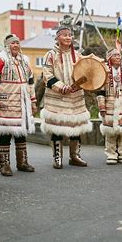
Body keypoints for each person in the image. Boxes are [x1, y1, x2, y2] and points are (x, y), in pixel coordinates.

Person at [40, 25, 92, 169]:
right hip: (57, 96)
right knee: (57, 127)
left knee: (76, 125)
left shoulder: (78, 55)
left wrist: (83, 83)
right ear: (57, 38)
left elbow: (86, 72)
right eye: (65, 35)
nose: (68, 37)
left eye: (70, 35)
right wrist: (62, 87)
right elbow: (47, 75)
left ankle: (74, 156)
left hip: (75, 95)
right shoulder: (50, 55)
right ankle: (57, 158)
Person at [0, 34, 36, 176]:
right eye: (12, 43)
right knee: (6, 133)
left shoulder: (25, 60)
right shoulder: (0, 59)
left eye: (17, 43)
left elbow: (30, 82)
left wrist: (33, 101)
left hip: (22, 102)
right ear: (7, 45)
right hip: (7, 101)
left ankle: (22, 162)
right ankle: (4, 165)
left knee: (21, 132)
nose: (15, 45)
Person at [97, 48, 122, 164]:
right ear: (109, 58)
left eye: (119, 55)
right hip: (110, 104)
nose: (118, 57)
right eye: (115, 55)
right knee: (110, 133)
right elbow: (100, 91)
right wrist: (102, 106)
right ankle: (111, 153)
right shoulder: (104, 71)